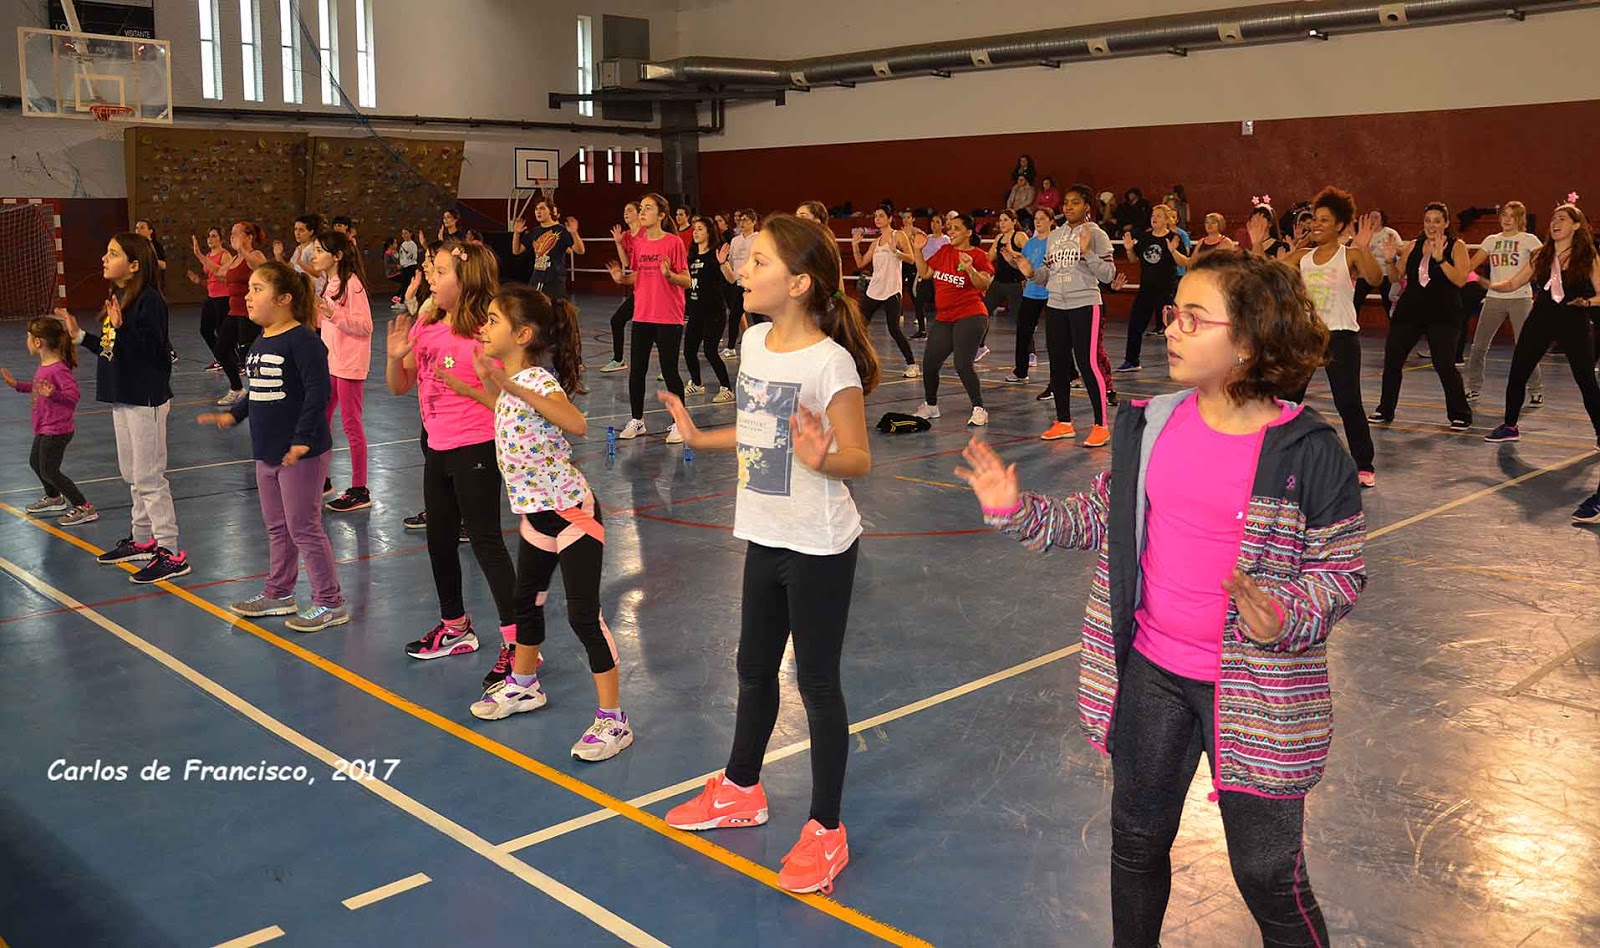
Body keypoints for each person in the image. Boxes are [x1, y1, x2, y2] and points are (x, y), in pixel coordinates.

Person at [957, 249, 1363, 948]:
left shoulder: (1308, 450)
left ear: (1248, 339)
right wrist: (1018, 510)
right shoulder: (1151, 424)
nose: (1170, 328)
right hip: (1152, 674)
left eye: (1193, 319)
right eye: (1172, 313)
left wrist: (1284, 613)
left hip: (1259, 690)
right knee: (1136, 843)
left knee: (1267, 873)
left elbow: (1341, 570)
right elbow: (1100, 518)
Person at [659, 213, 879, 896]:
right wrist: (701, 437)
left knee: (816, 685)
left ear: (800, 283)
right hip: (764, 531)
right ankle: (742, 788)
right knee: (753, 668)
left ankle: (827, 829)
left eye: (757, 262)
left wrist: (823, 456)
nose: (742, 270)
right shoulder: (753, 342)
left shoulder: (829, 361)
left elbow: (859, 458)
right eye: (744, 259)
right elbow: (759, 432)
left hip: (818, 544)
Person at [447, 284, 634, 760]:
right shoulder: (516, 382)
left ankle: (613, 721)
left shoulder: (538, 381)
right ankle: (525, 684)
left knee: (582, 615)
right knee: (524, 603)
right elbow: (512, 414)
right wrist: (481, 388)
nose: (484, 327)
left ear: (523, 333)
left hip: (571, 515)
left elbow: (576, 424)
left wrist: (510, 385)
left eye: (492, 320)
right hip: (535, 517)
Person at [386, 242, 521, 691]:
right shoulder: (427, 320)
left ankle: (517, 645)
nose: (431, 276)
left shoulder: (487, 329)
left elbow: (505, 397)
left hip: (477, 445)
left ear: (465, 279)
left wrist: (472, 384)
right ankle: (455, 626)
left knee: (486, 542)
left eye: (440, 270)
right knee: (439, 541)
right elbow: (400, 384)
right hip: (437, 445)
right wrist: (393, 356)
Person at [198, 261, 347, 633]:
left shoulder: (305, 341)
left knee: (304, 528)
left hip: (301, 454)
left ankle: (330, 600)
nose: (248, 296)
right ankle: (280, 592)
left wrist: (301, 440)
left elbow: (319, 394)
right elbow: (258, 389)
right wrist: (234, 415)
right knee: (278, 527)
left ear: (283, 299)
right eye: (248, 289)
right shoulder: (263, 340)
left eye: (257, 289)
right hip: (266, 451)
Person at [56, 233, 189, 583]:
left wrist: (121, 328)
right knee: (132, 474)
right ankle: (142, 538)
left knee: (149, 476)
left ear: (133, 265)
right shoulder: (120, 297)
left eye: (112, 253)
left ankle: (171, 550)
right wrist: (81, 337)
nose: (104, 258)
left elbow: (152, 351)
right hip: (123, 395)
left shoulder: (150, 302)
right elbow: (113, 346)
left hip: (146, 398)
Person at [1282, 187, 1384, 487]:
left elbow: (1376, 278)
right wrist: (1263, 243)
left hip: (1341, 335)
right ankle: (1280, 454)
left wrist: (1364, 248)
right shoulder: (1302, 257)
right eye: (1315, 219)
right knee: (1288, 399)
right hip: (1308, 335)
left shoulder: (1349, 255)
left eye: (1324, 220)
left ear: (1340, 225)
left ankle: (1363, 464)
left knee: (1348, 402)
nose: (1316, 224)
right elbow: (1267, 271)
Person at [1483, 201, 1600, 447]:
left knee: (1586, 379)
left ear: (1576, 225)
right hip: (1541, 318)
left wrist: (1587, 303)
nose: (1555, 223)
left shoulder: (1588, 257)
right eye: (1553, 219)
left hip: (1574, 319)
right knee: (1518, 371)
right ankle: (1510, 426)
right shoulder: (1542, 255)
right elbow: (1514, 283)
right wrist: (1480, 281)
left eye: (1562, 219)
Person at [1024, 184, 1116, 446]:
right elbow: (1045, 276)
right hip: (1056, 305)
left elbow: (1107, 275)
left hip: (1085, 304)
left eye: (1075, 202)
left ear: (1087, 206)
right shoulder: (1054, 237)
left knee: (1087, 364)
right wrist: (1030, 272)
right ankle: (1063, 422)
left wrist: (1087, 251)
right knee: (1058, 366)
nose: (1068, 207)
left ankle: (1101, 425)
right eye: (1066, 202)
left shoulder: (1096, 234)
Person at [1370, 203, 1474, 428]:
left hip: (1444, 313)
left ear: (1446, 223)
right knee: (1392, 360)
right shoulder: (1414, 246)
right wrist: (1390, 261)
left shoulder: (1457, 246)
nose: (1432, 225)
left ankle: (1460, 413)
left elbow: (1460, 279)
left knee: (1444, 364)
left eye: (1437, 221)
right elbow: (1396, 278)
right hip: (1411, 310)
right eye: (1428, 220)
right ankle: (1385, 409)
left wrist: (1440, 259)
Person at [605, 192, 689, 443]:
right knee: (637, 371)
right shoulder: (639, 243)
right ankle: (637, 420)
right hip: (642, 314)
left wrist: (671, 277)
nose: (642, 212)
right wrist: (622, 278)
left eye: (648, 208)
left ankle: (680, 423)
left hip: (668, 316)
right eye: (641, 208)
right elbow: (639, 277)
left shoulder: (673, 242)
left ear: (661, 215)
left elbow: (686, 279)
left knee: (670, 370)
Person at [3, 317, 94, 525]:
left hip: (58, 429)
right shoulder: (45, 366)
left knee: (50, 470)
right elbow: (38, 387)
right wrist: (17, 385)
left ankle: (83, 506)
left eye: (28, 337)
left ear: (38, 342)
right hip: (45, 427)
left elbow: (73, 396)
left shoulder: (58, 369)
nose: (26, 341)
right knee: (36, 463)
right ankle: (54, 498)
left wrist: (54, 394)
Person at [311, 229, 375, 512]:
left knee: (351, 425)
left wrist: (332, 313)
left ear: (336, 256)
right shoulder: (329, 282)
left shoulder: (352, 284)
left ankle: (360, 488)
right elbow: (327, 321)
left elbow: (365, 325)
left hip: (349, 365)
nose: (314, 255)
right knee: (321, 418)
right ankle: (322, 479)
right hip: (332, 362)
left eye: (319, 250)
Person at [912, 212, 994, 427]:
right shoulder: (945, 251)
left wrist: (969, 268)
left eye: (957, 228)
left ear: (968, 232)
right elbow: (925, 272)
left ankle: (979, 409)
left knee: (962, 363)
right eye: (950, 228)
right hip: (944, 317)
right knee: (930, 363)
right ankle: (931, 405)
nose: (951, 231)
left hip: (971, 314)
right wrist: (918, 250)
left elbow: (984, 285)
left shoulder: (978, 255)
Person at [1464, 202, 1543, 401]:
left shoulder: (1529, 239)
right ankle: (1473, 387)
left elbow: (1542, 263)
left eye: (1512, 216)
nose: (1507, 219)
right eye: (1504, 215)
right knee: (1479, 346)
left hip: (1521, 299)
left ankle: (1535, 389)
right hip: (1493, 299)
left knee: (1526, 346)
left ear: (1520, 219)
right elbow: (1470, 265)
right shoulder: (1491, 240)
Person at [850, 206, 920, 378]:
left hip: (891, 290)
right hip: (874, 290)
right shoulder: (876, 242)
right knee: (857, 326)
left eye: (881, 216)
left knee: (894, 329)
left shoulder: (899, 236)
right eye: (875, 216)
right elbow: (860, 263)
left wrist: (896, 252)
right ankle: (854, 363)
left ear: (889, 218)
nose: (877, 219)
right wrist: (855, 246)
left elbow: (912, 258)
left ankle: (912, 364)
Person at [1117, 204, 1184, 372]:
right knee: (1135, 325)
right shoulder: (1146, 238)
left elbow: (1184, 262)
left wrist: (1174, 252)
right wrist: (1129, 249)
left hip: (1166, 289)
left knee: (1172, 329)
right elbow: (1133, 259)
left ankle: (1181, 362)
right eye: (1153, 215)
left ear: (1167, 220)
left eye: (1159, 216)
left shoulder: (1174, 238)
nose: (1154, 218)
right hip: (1146, 289)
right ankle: (1132, 360)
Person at [216, 221, 268, 406]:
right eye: (231, 234)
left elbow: (261, 269)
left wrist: (243, 251)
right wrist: (199, 255)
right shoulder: (235, 259)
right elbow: (220, 273)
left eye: (237, 234)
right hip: (234, 311)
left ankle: (259, 391)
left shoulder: (255, 254)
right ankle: (237, 388)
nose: (232, 237)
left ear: (249, 237)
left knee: (249, 354)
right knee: (221, 349)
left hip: (249, 312)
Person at [683, 216, 736, 399]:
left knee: (710, 351)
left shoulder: (716, 254)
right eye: (694, 229)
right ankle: (697, 383)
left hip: (714, 312)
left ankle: (726, 388)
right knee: (689, 350)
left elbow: (731, 279)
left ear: (708, 232)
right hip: (696, 312)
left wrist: (723, 263)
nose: (696, 232)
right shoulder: (691, 257)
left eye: (700, 229)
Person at [1002, 207, 1053, 384]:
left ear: (1051, 221)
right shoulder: (1031, 243)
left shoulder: (1055, 241)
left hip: (1051, 293)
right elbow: (1023, 265)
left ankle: (1071, 374)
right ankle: (1021, 371)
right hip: (1031, 293)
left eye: (1042, 218)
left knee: (1056, 336)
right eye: (1035, 219)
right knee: (1023, 332)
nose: (1037, 222)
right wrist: (1011, 260)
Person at [514, 199, 585, 301]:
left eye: (542, 208)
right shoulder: (534, 232)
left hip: (555, 280)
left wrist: (574, 233)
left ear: (550, 211)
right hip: (536, 279)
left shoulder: (561, 230)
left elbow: (580, 250)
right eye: (536, 209)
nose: (538, 211)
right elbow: (516, 250)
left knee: (554, 311)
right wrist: (516, 234)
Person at [601, 201, 641, 373]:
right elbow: (627, 263)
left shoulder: (646, 234)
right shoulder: (626, 236)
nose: (626, 213)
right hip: (639, 288)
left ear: (639, 214)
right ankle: (618, 360)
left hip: (651, 288)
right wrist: (618, 243)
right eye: (624, 210)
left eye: (630, 210)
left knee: (651, 330)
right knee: (617, 320)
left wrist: (623, 279)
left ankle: (667, 366)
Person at [188, 227, 230, 372]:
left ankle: (232, 361)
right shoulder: (209, 255)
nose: (210, 239)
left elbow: (222, 274)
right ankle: (221, 357)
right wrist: (199, 281)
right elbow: (212, 280)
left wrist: (198, 254)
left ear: (221, 239)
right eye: (208, 236)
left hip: (223, 297)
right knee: (205, 330)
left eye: (214, 236)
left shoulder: (225, 255)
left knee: (222, 331)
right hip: (211, 297)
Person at [723, 208, 757, 354]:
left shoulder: (759, 238)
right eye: (741, 220)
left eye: (746, 220)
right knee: (734, 316)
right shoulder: (735, 240)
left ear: (754, 222)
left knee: (757, 316)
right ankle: (730, 347)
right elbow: (730, 260)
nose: (742, 223)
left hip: (754, 284)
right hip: (738, 283)